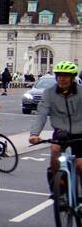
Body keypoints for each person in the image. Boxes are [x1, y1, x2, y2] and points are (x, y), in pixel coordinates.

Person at [29, 60, 82, 195]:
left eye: (66, 76)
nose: (62, 79)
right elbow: (41, 113)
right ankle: (57, 184)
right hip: (61, 132)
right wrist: (34, 134)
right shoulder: (49, 93)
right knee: (55, 151)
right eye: (59, 75)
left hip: (80, 133)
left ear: (73, 77)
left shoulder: (81, 92)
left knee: (80, 165)